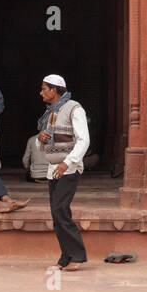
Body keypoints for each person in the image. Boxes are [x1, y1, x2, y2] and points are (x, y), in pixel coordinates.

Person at [38, 73, 89, 270]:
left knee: (60, 210)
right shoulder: (51, 112)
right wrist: (40, 138)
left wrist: (67, 163)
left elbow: (83, 140)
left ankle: (76, 256)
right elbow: (50, 140)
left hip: (68, 168)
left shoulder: (74, 109)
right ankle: (66, 256)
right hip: (54, 169)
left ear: (54, 90)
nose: (41, 92)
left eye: (44, 88)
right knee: (57, 213)